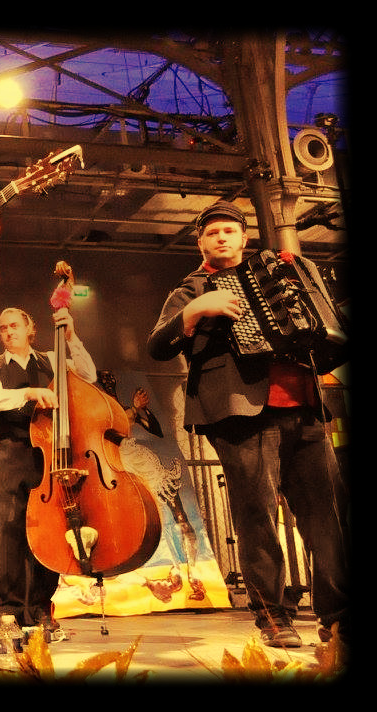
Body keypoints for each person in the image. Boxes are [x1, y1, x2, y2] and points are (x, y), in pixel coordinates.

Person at [147, 200, 349, 648]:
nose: (221, 237)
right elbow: (158, 345)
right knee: (257, 517)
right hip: (239, 414)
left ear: (243, 237)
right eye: (212, 231)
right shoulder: (192, 288)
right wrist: (197, 310)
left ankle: (338, 616)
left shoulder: (282, 269)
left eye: (229, 231)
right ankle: (273, 616)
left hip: (303, 404)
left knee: (326, 518)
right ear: (200, 241)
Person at [0, 306, 97, 631]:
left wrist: (72, 337)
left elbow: (88, 375)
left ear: (30, 327)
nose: (8, 332)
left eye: (14, 325)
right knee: (10, 532)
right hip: (11, 457)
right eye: (3, 327)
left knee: (49, 533)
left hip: (48, 456)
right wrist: (30, 392)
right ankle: (10, 612)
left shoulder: (51, 358)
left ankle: (42, 608)